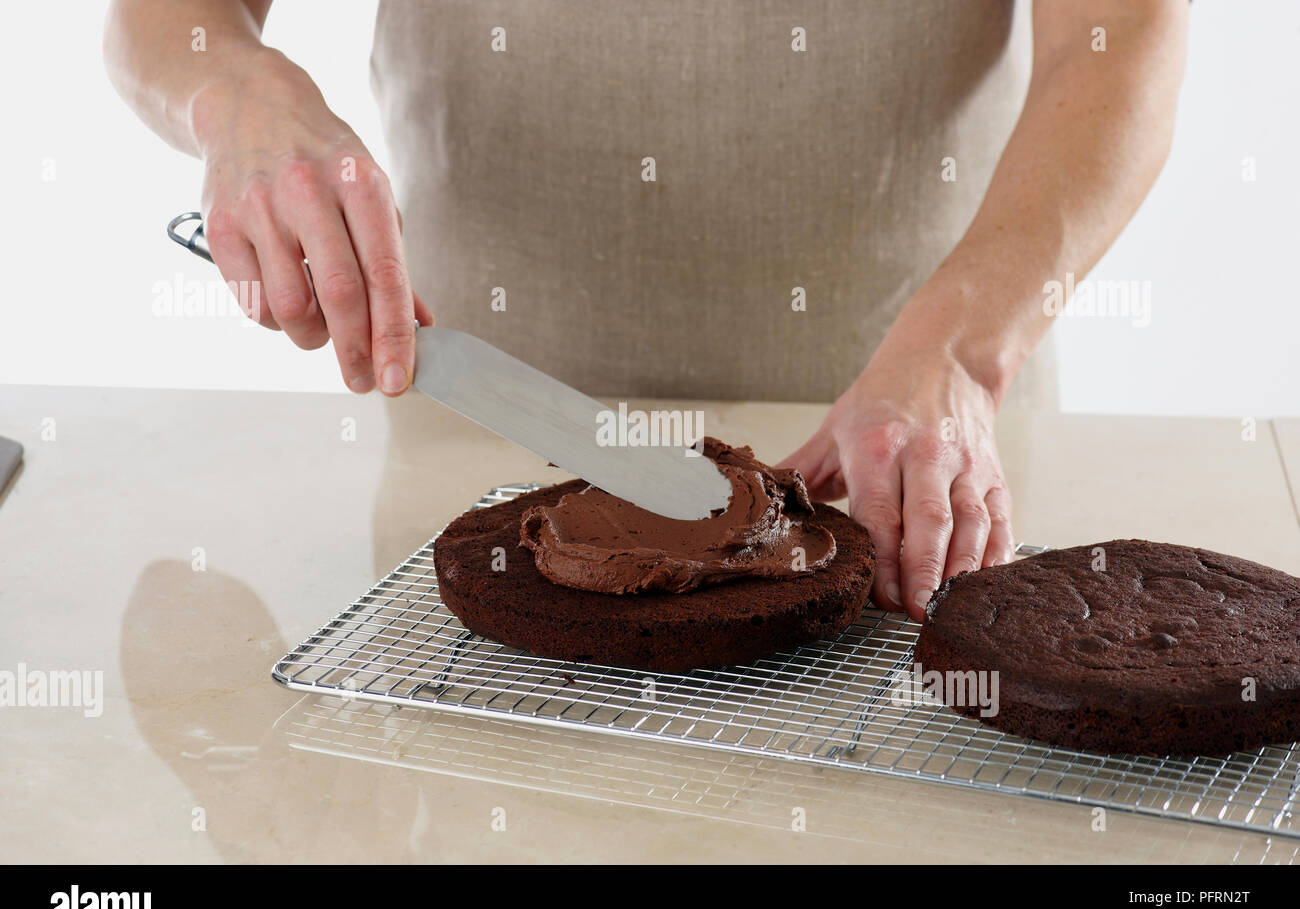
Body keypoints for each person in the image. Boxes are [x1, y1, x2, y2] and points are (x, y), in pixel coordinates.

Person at [105, 0, 1188, 621]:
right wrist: (237, 91)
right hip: (467, 433)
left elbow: (1123, 38)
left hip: (910, 450)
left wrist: (959, 350)